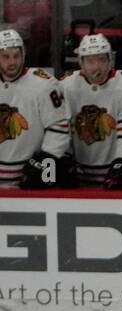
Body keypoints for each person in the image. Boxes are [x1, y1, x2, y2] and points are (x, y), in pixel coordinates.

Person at [60, 34, 122, 189]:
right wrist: (64, 157)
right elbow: (60, 130)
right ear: (81, 62)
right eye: (90, 61)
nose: (96, 67)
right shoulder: (66, 86)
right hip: (79, 174)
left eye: (101, 60)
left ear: (110, 60)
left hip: (116, 173)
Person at [0, 29, 72, 190]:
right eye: (5, 57)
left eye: (16, 56)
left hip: (29, 177)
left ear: (23, 55)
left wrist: (47, 161)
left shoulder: (44, 84)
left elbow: (59, 127)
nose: (12, 62)